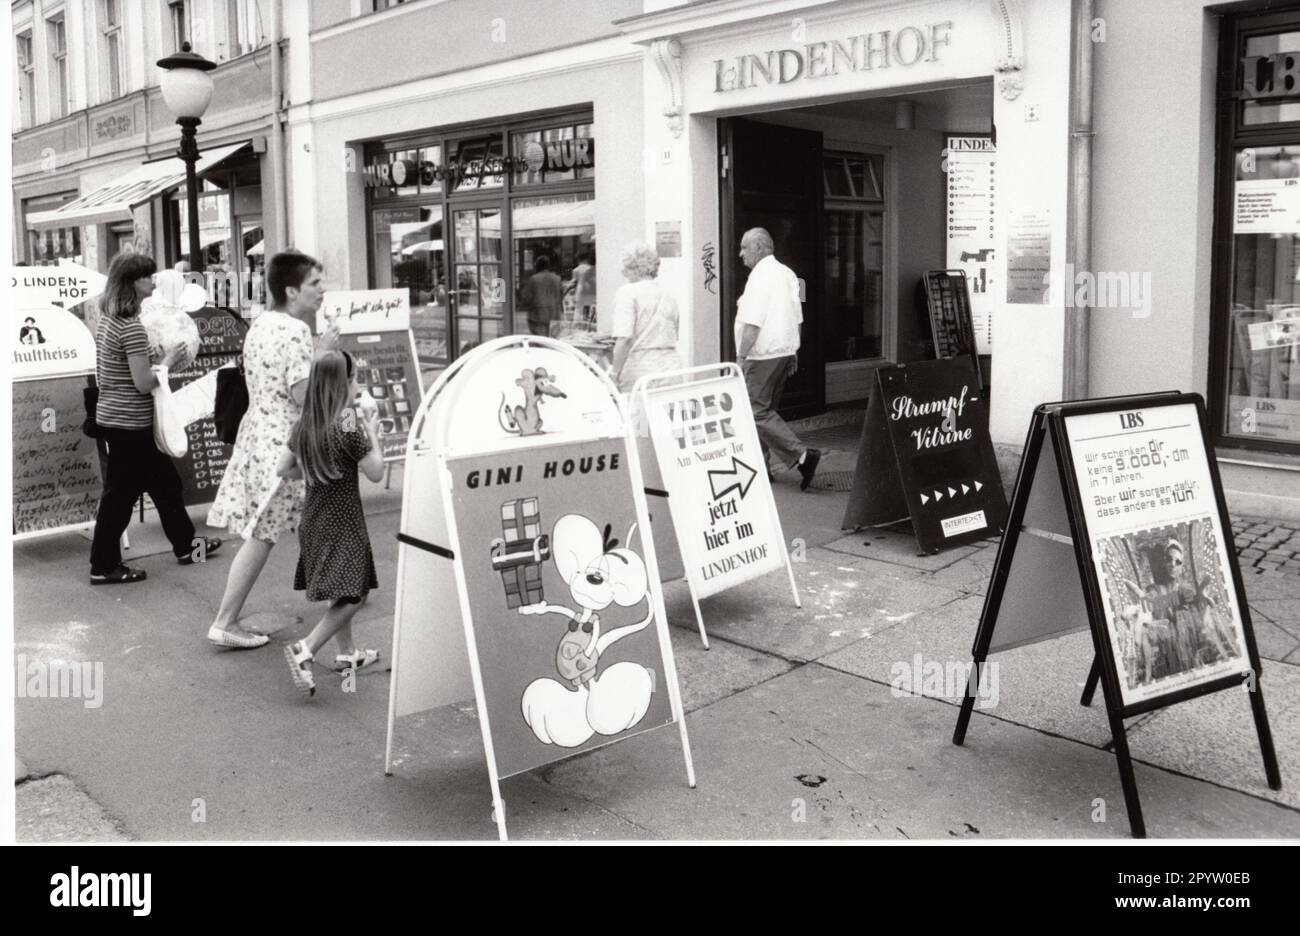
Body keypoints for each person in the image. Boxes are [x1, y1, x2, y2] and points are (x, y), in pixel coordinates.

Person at [206, 251, 337, 649]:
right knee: (269, 531)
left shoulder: (261, 323)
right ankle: (226, 620)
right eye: (315, 283)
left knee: (304, 523)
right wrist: (325, 353)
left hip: (260, 438)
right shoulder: (295, 331)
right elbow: (304, 395)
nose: (322, 290)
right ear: (291, 290)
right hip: (289, 443)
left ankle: (345, 594)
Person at [88, 252, 222, 584]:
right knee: (120, 497)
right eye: (148, 277)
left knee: (164, 485)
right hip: (130, 424)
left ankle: (187, 547)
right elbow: (144, 382)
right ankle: (103, 566)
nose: (154, 281)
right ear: (133, 283)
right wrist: (169, 359)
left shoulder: (110, 319)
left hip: (116, 418)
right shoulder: (132, 328)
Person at [279, 351, 385, 696]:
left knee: (342, 588)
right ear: (346, 381)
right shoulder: (348, 421)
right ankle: (305, 649)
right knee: (355, 593)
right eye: (355, 379)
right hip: (344, 521)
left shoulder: (305, 423)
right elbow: (375, 471)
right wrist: (372, 430)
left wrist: (314, 469)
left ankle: (348, 654)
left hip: (314, 519)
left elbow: (284, 469)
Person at [735, 227, 820, 490]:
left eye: (744, 247)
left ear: (760, 247)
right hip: (783, 352)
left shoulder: (759, 278)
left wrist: (740, 357)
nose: (740, 254)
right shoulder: (789, 274)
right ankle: (762, 466)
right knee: (765, 410)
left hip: (762, 354)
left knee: (755, 410)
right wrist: (794, 350)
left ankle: (802, 456)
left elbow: (752, 322)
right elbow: (798, 316)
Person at [610, 241, 681, 394]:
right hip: (672, 366)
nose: (623, 273)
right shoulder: (669, 294)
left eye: (625, 268)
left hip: (641, 368)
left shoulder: (627, 293)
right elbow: (675, 332)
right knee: (669, 416)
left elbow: (624, 339)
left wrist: (614, 374)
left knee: (638, 416)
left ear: (632, 268)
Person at [521, 256, 563, 336]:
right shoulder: (557, 278)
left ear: (537, 266)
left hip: (537, 316)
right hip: (554, 314)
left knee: (540, 341)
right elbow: (561, 296)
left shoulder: (533, 279)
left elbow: (526, 297)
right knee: (552, 341)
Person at [573, 248, 597, 324]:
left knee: (580, 314)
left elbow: (575, 283)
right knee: (590, 315)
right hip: (592, 294)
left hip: (581, 294)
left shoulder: (576, 270)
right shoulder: (592, 268)